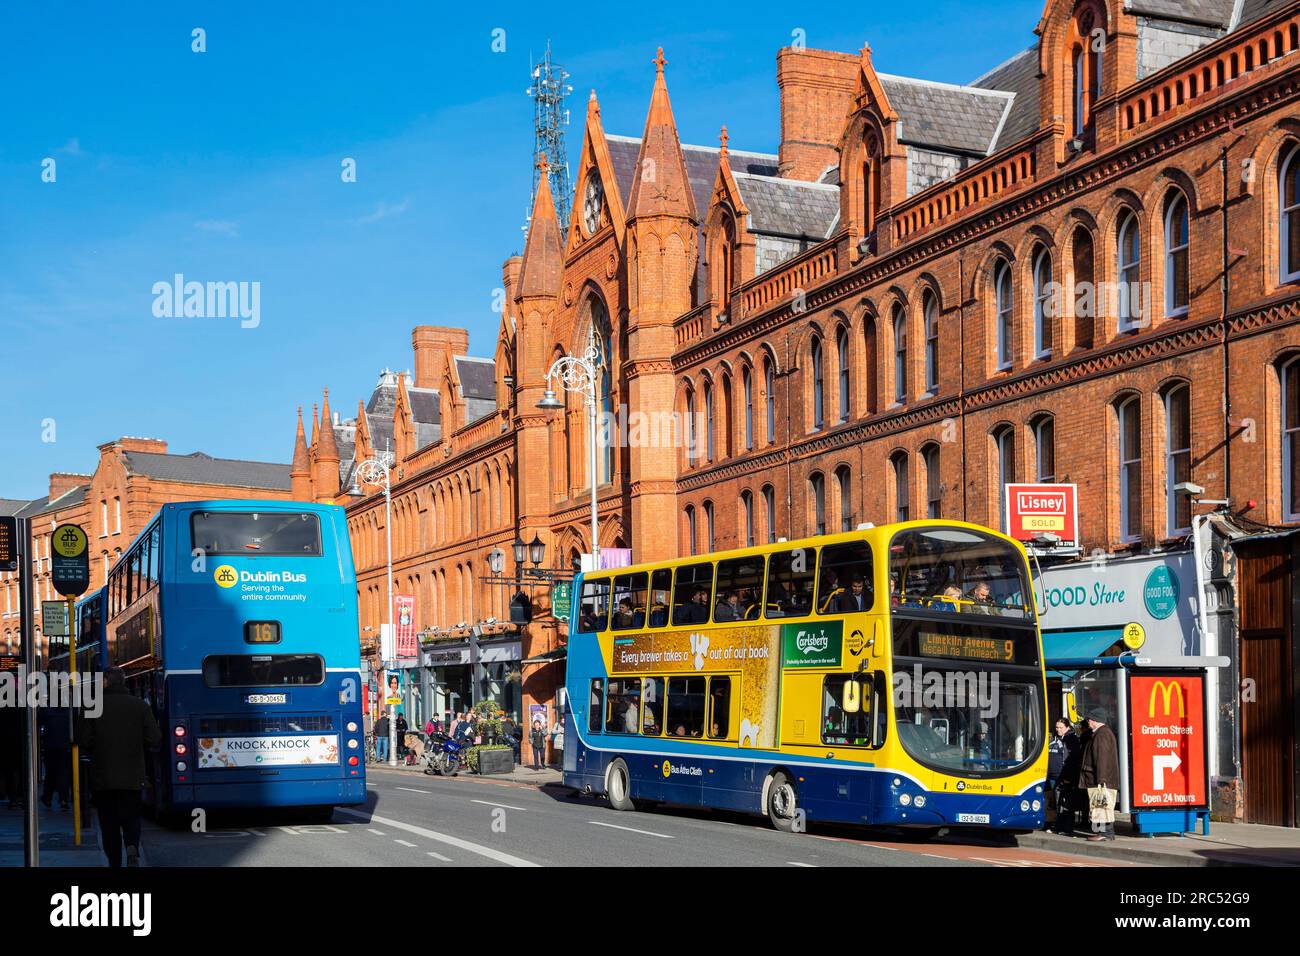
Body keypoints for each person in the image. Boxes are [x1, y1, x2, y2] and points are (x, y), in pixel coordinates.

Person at [77, 668, 161, 867]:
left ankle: (114, 861)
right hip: (133, 775)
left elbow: (82, 738)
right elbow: (155, 737)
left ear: (105, 682)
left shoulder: (92, 706)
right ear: (123, 682)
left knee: (109, 823)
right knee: (131, 816)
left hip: (103, 777)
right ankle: (132, 846)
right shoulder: (140, 706)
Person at [1078, 707, 1120, 841]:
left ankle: (1106, 833)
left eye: (1090, 719)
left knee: (1102, 805)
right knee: (1099, 806)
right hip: (1101, 778)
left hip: (1101, 779)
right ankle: (1102, 832)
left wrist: (1101, 779)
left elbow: (1102, 758)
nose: (1088, 722)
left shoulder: (1101, 734)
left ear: (1096, 720)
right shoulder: (1101, 733)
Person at [1052, 718, 1084, 835]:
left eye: (1060, 727)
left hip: (1067, 776)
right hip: (1060, 775)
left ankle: (1066, 828)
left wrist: (1068, 776)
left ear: (1067, 727)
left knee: (1067, 803)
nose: (1058, 730)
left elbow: (1072, 760)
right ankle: (1060, 826)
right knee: (1060, 802)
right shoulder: (1059, 739)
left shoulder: (1071, 740)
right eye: (1056, 727)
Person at [39, 704, 73, 809]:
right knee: (64, 772)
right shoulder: (70, 711)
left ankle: (48, 797)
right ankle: (63, 799)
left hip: (50, 745)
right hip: (65, 745)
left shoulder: (46, 710)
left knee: (50, 772)